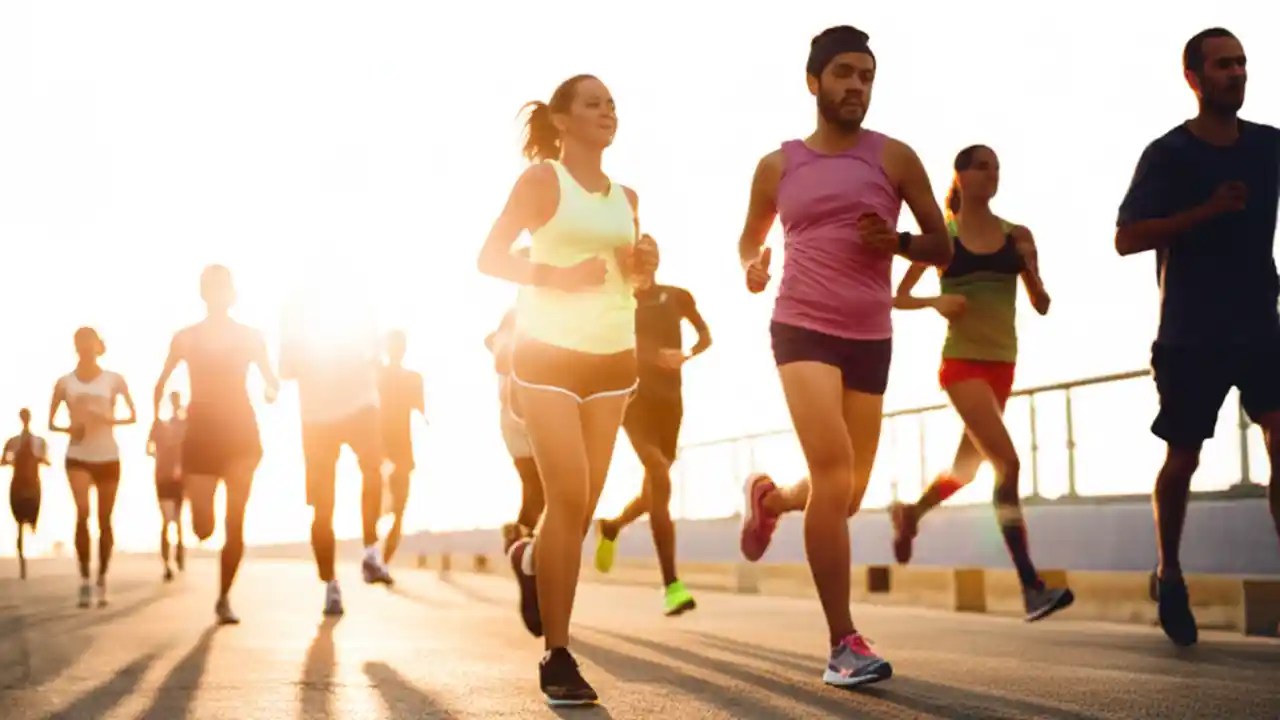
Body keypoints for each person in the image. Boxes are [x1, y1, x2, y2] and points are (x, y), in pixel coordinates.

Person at [735, 26, 953, 688]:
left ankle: (771, 500)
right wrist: (753, 267)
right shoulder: (779, 165)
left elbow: (944, 249)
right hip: (801, 326)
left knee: (846, 493)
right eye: (844, 74)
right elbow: (749, 240)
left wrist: (901, 242)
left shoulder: (896, 158)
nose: (856, 86)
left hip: (870, 334)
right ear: (815, 82)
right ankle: (842, 643)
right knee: (833, 471)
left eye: (866, 76)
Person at [476, 74, 656, 707]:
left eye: (612, 103)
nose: (608, 111)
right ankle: (558, 656)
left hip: (613, 359)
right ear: (561, 120)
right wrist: (555, 274)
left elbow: (629, 284)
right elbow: (490, 258)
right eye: (593, 104)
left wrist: (643, 267)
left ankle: (531, 560)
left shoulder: (626, 197)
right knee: (569, 491)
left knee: (575, 513)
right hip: (547, 354)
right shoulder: (542, 182)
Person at [1115, 28, 1280, 647]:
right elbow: (1127, 237)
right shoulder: (1169, 155)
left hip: (1261, 322)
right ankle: (1171, 571)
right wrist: (1203, 212)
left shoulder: (1268, 147)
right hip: (1190, 331)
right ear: (1193, 78)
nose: (1236, 73)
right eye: (1223, 65)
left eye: (1242, 63)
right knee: (1183, 459)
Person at [890, 144, 1074, 621]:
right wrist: (938, 302)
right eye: (982, 166)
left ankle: (911, 514)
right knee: (1008, 465)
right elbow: (898, 297)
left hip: (1001, 365)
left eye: (996, 167)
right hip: (962, 366)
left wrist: (1033, 273)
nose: (991, 174)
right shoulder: (944, 238)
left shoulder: (1017, 234)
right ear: (961, 176)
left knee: (966, 471)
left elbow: (1042, 303)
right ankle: (1031, 586)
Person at [593, 235, 711, 616]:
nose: (641, 271)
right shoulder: (617, 303)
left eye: (647, 262)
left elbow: (705, 336)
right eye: (636, 264)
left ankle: (612, 526)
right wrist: (647, 355)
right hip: (633, 401)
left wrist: (687, 355)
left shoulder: (678, 296)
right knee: (658, 472)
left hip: (670, 402)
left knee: (654, 490)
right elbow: (607, 345)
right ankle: (672, 584)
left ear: (655, 263)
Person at [154, 265, 280, 625]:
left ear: (232, 294)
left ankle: (224, 597)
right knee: (203, 527)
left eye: (223, 287)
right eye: (211, 287)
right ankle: (201, 522)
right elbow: (160, 382)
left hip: (241, 431)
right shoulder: (185, 338)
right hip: (202, 432)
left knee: (235, 520)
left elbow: (271, 380)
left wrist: (271, 391)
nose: (218, 294)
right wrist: (155, 419)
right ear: (202, 293)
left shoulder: (251, 337)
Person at [280, 290, 395, 618]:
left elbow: (377, 356)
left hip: (360, 405)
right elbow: (286, 369)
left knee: (373, 470)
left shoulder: (360, 304)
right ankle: (330, 583)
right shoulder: (294, 308)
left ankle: (371, 552)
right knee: (323, 506)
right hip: (317, 417)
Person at [49, 327, 138, 608]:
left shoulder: (115, 380)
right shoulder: (64, 383)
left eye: (90, 343)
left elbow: (134, 416)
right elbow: (51, 422)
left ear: (98, 346)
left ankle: (102, 580)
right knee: (83, 513)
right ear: (75, 346)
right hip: (78, 454)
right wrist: (68, 428)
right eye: (80, 343)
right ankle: (85, 580)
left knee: (104, 518)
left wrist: (108, 419)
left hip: (108, 456)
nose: (85, 348)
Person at [487, 307, 545, 553]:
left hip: (510, 418)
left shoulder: (507, 331)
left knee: (532, 486)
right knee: (543, 489)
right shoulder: (528, 323)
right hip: (527, 413)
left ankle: (523, 539)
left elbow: (490, 342)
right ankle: (521, 539)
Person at [378, 329, 425, 567]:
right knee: (391, 509)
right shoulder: (379, 375)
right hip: (382, 451)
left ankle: (382, 560)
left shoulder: (410, 378)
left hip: (397, 451)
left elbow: (425, 412)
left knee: (397, 510)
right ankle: (378, 557)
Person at [3, 408, 51, 580]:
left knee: (28, 520)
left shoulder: (39, 442)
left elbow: (47, 461)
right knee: (18, 522)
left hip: (32, 483)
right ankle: (22, 558)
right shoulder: (13, 442)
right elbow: (3, 461)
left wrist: (36, 459)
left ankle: (26, 552)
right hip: (19, 483)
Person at [147, 391, 188, 581]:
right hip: (163, 477)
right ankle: (167, 564)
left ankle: (179, 552)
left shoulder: (184, 424)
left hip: (180, 479)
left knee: (178, 520)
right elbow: (148, 448)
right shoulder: (159, 425)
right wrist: (161, 457)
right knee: (167, 519)